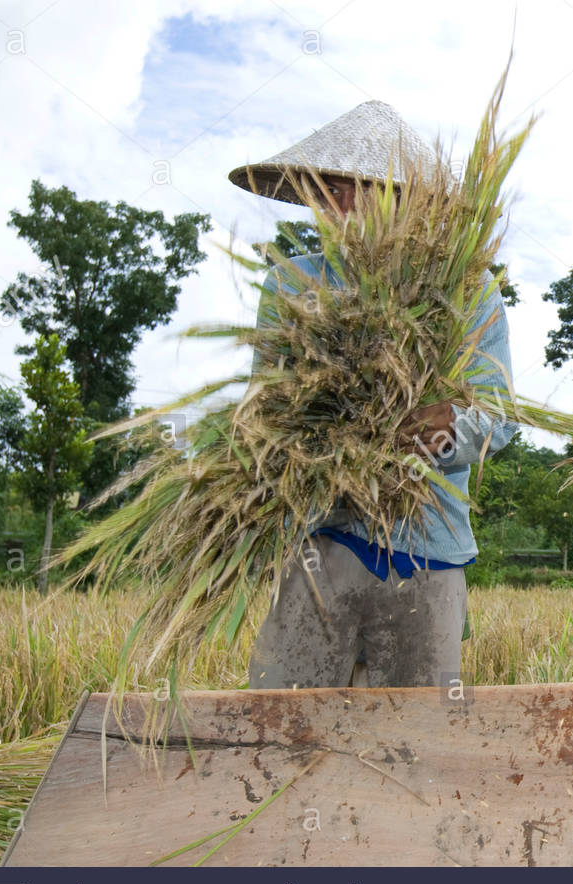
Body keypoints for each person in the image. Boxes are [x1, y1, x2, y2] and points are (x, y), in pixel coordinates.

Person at [228, 100, 517, 689]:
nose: (346, 206)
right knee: (286, 725)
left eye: (367, 189)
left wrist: (446, 427)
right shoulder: (292, 282)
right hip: (320, 541)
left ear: (409, 199)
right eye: (331, 190)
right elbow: (264, 407)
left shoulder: (466, 288)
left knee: (415, 746)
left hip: (428, 550)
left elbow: (500, 419)